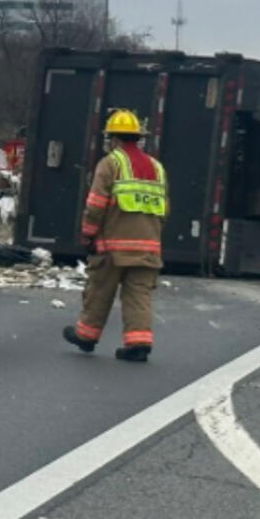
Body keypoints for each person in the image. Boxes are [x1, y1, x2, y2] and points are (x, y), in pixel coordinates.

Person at [62, 109, 169, 363]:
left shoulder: (111, 164)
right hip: (148, 246)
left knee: (99, 290)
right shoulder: (156, 167)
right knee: (139, 295)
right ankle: (139, 344)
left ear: (114, 139)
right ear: (138, 138)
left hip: (113, 246)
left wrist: (88, 234)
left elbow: (96, 204)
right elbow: (165, 209)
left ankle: (86, 336)